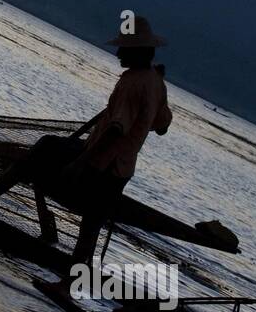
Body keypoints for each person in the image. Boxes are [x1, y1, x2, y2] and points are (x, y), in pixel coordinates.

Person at [48, 16, 173, 266]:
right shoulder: (155, 82)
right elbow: (162, 127)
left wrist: (81, 162)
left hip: (104, 165)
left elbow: (116, 130)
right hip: (123, 169)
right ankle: (70, 285)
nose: (117, 53)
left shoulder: (132, 83)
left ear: (136, 52)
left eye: (123, 49)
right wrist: (157, 88)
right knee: (91, 226)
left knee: (47, 148)